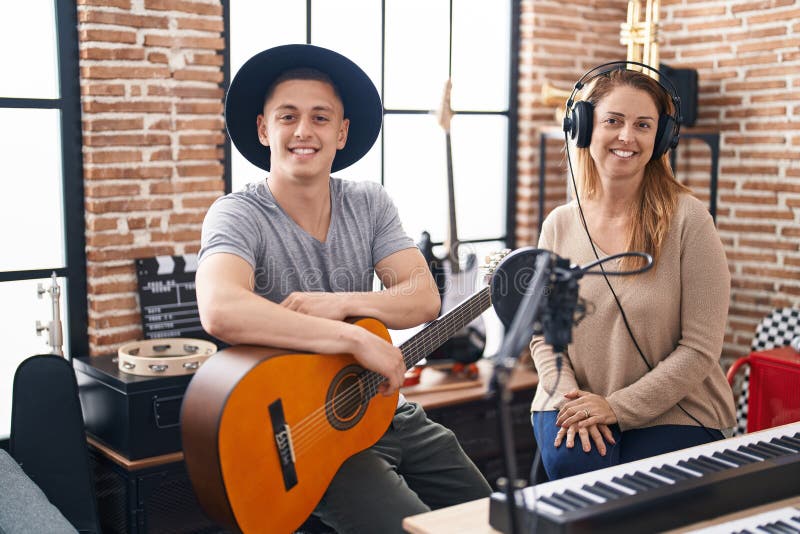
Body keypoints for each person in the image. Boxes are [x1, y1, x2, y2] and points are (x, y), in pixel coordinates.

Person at [195, 44, 491, 533]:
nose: (304, 131)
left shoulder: (369, 202)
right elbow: (220, 309)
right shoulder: (236, 214)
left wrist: (342, 304)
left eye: (320, 117)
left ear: (341, 132)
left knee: (494, 517)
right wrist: (353, 337)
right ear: (264, 128)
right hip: (305, 438)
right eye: (287, 116)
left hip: (385, 411)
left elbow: (423, 297)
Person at [530, 66, 736, 481]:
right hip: (571, 399)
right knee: (575, 464)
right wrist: (573, 402)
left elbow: (700, 349)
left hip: (677, 410)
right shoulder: (559, 225)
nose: (627, 136)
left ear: (661, 138)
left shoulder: (689, 220)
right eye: (613, 121)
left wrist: (616, 407)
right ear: (584, 127)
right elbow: (544, 335)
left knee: (632, 490)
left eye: (644, 125)